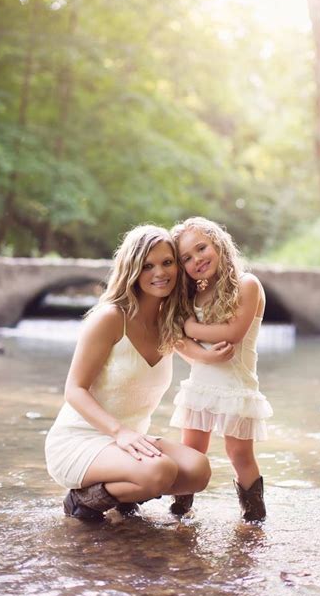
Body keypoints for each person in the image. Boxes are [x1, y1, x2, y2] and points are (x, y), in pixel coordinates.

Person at [45, 225, 231, 521]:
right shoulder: (109, 318)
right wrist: (120, 433)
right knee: (161, 471)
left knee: (198, 470)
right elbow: (74, 390)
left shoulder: (170, 324)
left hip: (133, 441)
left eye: (168, 262)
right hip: (82, 440)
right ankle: (82, 500)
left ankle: (127, 489)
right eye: (147, 266)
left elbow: (206, 357)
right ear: (132, 269)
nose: (160, 272)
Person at [169, 217, 273, 522]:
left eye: (201, 248)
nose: (196, 259)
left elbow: (233, 333)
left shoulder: (247, 284)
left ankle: (253, 514)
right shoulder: (193, 296)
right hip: (200, 386)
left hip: (236, 388)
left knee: (239, 454)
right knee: (191, 451)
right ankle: (180, 510)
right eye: (186, 258)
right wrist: (201, 351)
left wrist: (191, 326)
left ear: (219, 244)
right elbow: (177, 341)